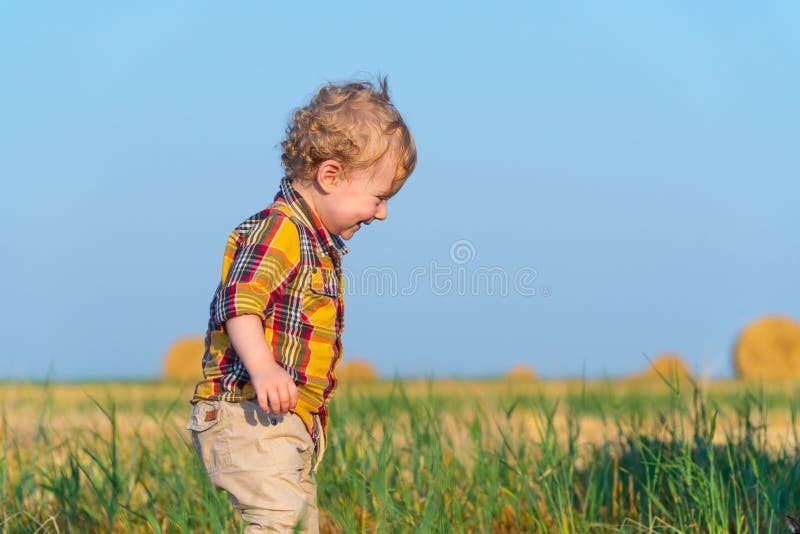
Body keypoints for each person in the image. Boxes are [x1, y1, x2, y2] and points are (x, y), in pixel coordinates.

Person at [187, 78, 416, 533]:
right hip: (247, 414)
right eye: (379, 197)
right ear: (330, 176)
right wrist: (265, 367)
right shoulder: (281, 230)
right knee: (281, 526)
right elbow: (238, 302)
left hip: (279, 425)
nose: (382, 213)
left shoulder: (314, 243)